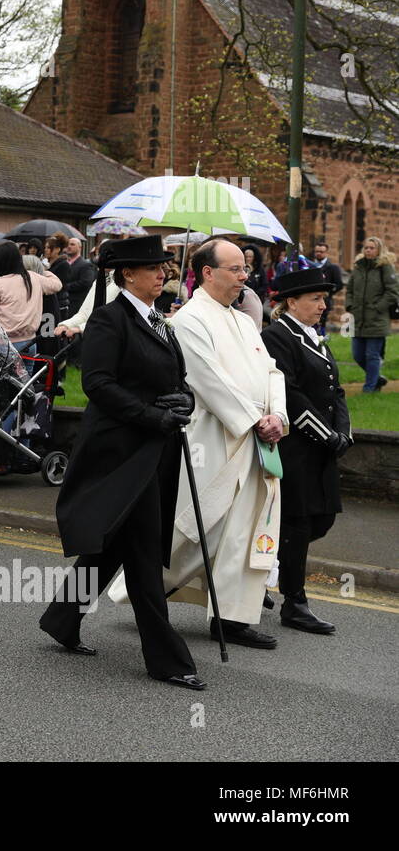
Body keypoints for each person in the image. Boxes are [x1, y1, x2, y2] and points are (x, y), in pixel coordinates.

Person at [39, 236, 204, 689]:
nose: (163, 273)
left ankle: (61, 618)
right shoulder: (110, 320)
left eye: (165, 268)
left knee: (114, 545)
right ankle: (167, 660)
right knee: (144, 552)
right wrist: (153, 414)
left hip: (155, 449)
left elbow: (178, 379)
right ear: (127, 274)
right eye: (154, 268)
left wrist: (182, 401)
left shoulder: (161, 322)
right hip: (119, 453)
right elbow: (98, 384)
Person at [110, 238, 288, 651]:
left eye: (245, 269)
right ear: (207, 272)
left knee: (242, 533)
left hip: (256, 442)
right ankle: (139, 591)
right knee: (193, 532)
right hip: (218, 440)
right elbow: (207, 381)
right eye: (236, 269)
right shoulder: (189, 319)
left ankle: (233, 618)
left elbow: (271, 371)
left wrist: (276, 415)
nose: (245, 276)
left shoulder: (244, 321)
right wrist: (252, 419)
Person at [262, 268, 352, 635]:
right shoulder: (277, 337)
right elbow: (291, 395)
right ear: (292, 302)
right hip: (297, 447)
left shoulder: (315, 338)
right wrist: (325, 435)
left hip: (323, 448)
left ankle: (264, 573)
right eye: (315, 299)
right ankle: (294, 603)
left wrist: (343, 432)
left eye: (324, 298)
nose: (324, 305)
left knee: (322, 519)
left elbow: (336, 390)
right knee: (297, 524)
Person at [0, 240, 62, 353]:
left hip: (5, 344)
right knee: (28, 371)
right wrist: (43, 270)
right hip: (30, 342)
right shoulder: (33, 277)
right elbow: (57, 285)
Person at [344, 236, 398, 392]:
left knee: (372, 355)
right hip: (358, 319)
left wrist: (377, 308)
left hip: (377, 319)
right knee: (357, 355)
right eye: (366, 247)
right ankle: (377, 378)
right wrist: (349, 305)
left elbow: (392, 292)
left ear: (379, 250)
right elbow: (350, 290)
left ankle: (369, 388)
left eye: (372, 248)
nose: (368, 250)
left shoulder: (385, 267)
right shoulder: (358, 267)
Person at [308, 241, 344, 334]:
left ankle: (321, 339)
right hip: (310, 298)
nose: (318, 253)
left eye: (321, 251)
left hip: (325, 300)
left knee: (321, 321)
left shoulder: (332, 268)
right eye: (317, 251)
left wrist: (329, 292)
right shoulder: (308, 265)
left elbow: (339, 284)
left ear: (326, 253)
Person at [63, 237, 96, 315]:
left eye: (72, 244)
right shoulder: (64, 263)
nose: (69, 246)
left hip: (77, 305)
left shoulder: (85, 265)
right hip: (64, 304)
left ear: (80, 247)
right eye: (68, 244)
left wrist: (66, 287)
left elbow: (86, 282)